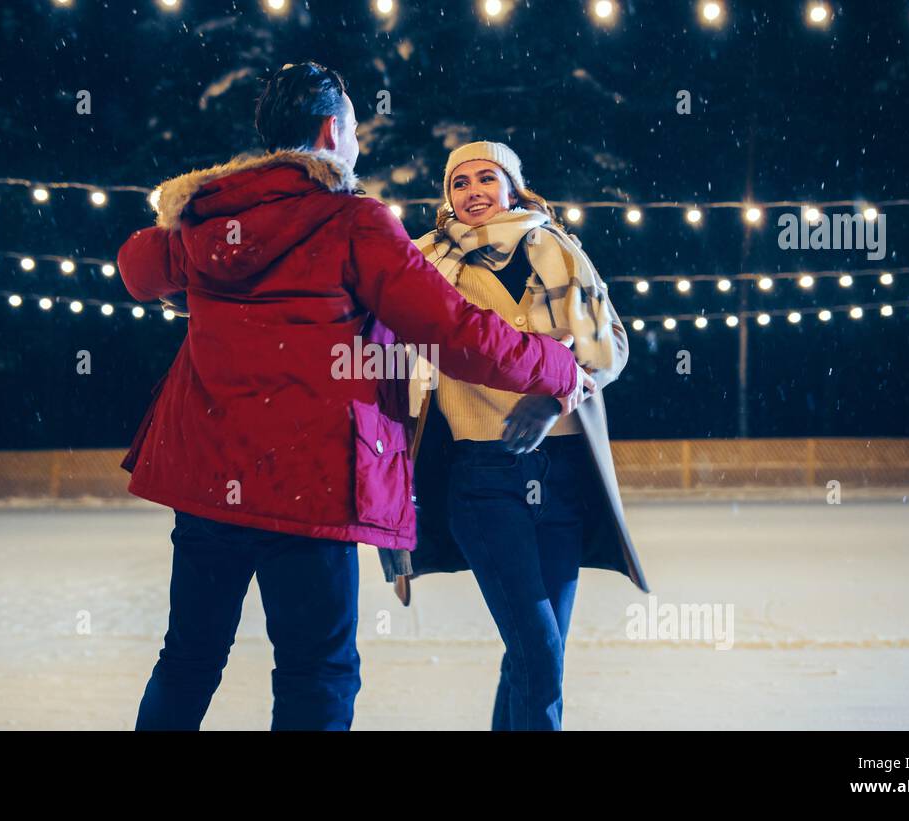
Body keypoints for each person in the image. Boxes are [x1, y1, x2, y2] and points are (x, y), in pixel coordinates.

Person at [116, 64, 593, 731]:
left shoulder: (210, 219)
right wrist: (554, 365)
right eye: (354, 130)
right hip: (306, 486)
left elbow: (137, 265)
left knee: (189, 656)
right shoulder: (352, 222)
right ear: (333, 129)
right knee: (316, 669)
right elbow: (452, 330)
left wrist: (186, 269)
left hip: (208, 478)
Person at [378, 141, 649, 731]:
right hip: (481, 477)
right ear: (446, 196)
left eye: (486, 178)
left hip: (564, 475)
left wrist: (555, 395)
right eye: (459, 183)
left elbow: (611, 347)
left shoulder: (557, 250)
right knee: (539, 653)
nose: (472, 191)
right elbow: (384, 354)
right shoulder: (423, 264)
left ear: (513, 187)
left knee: (532, 656)